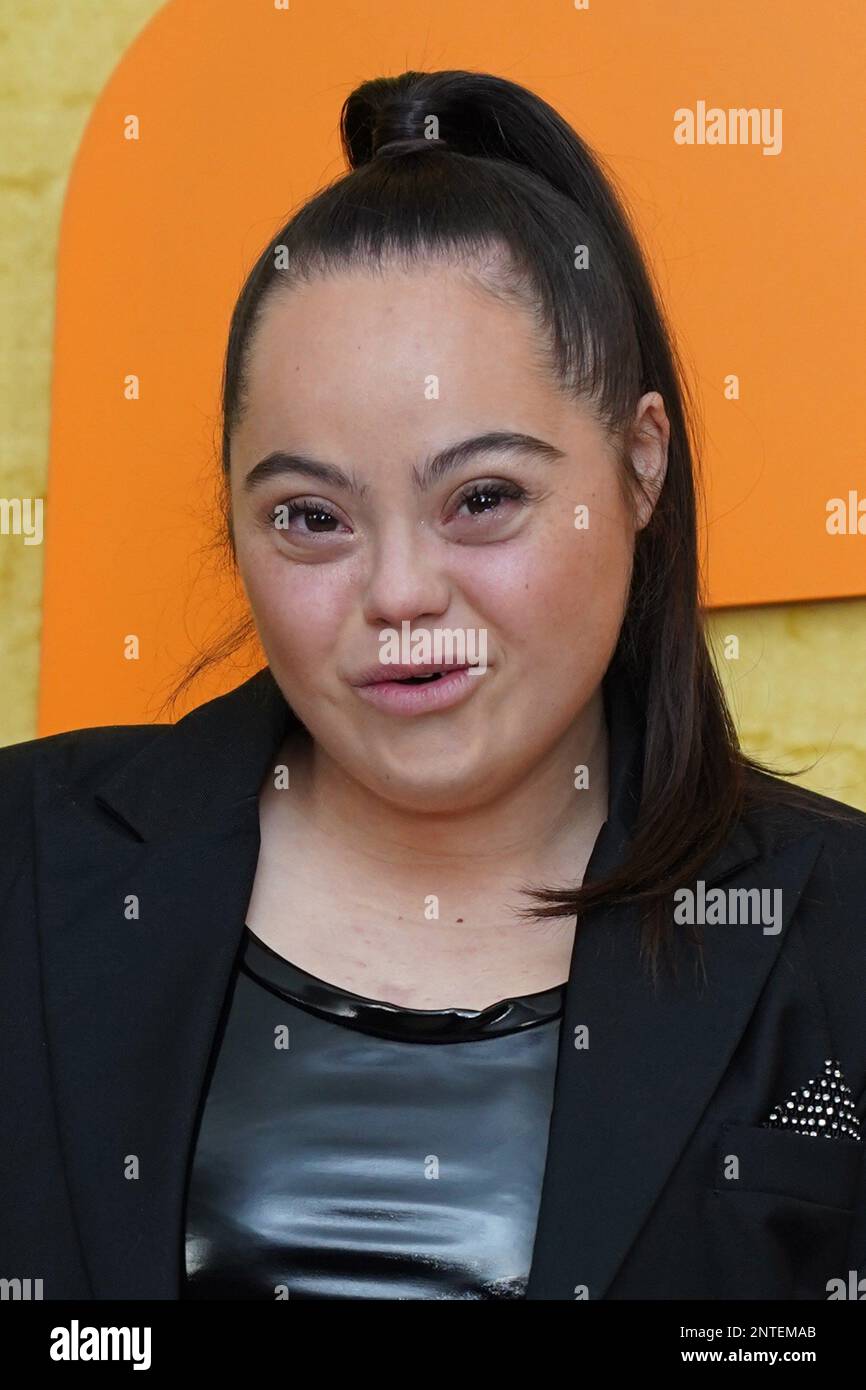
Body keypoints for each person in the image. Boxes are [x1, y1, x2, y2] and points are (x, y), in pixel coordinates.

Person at [2, 68, 865, 1302]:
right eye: (311, 517)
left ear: (638, 463)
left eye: (482, 500)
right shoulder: (26, 867)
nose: (398, 592)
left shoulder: (835, 929)